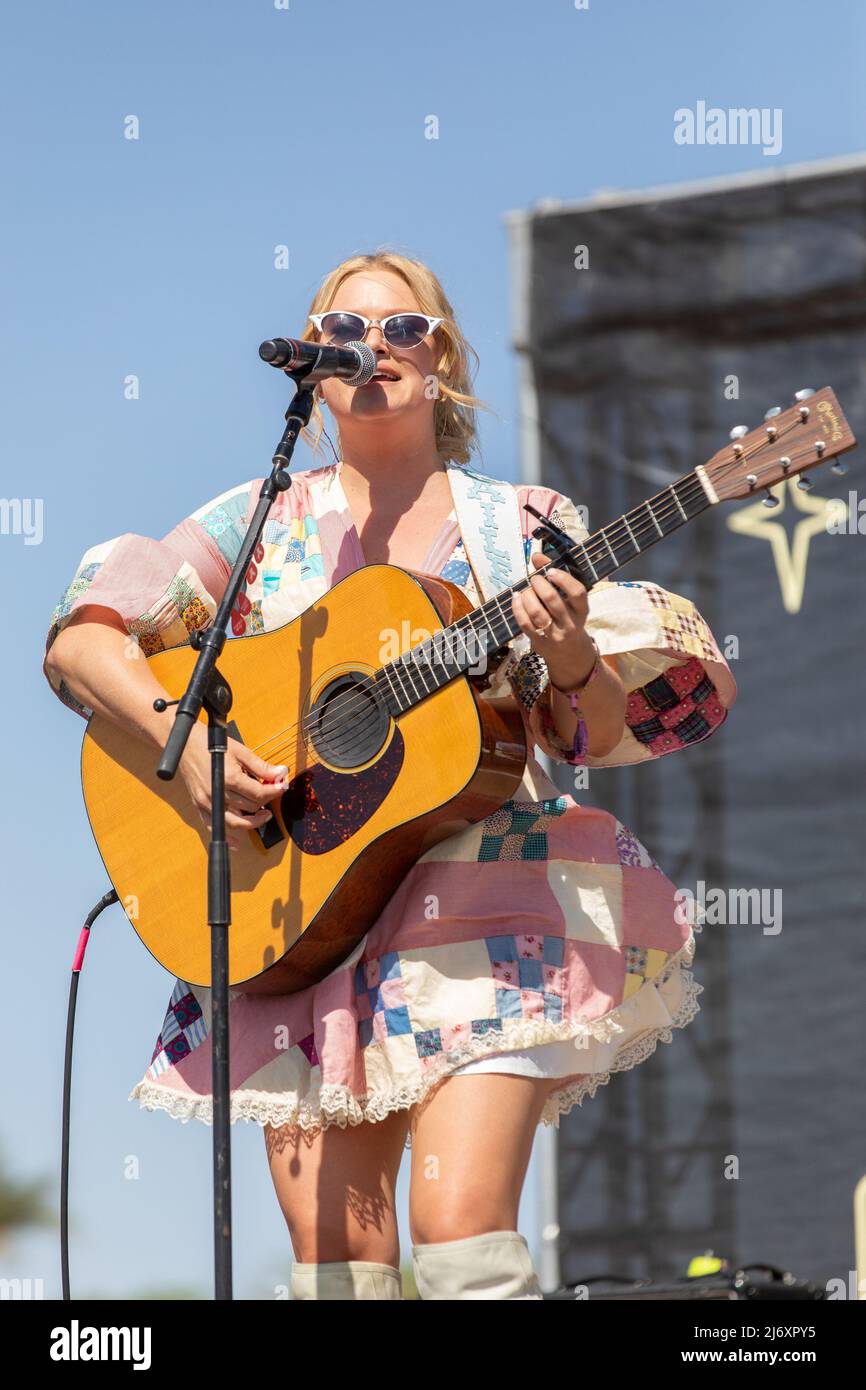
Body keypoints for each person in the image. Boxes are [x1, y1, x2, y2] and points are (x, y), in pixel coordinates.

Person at [43, 249, 736, 1301]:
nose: (375, 349)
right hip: (297, 913)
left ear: (442, 359)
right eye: (344, 330)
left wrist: (571, 657)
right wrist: (182, 749)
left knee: (458, 1239)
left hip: (481, 899)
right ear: (311, 367)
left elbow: (585, 731)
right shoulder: (256, 519)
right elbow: (83, 645)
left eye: (402, 328)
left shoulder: (522, 525)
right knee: (337, 1271)